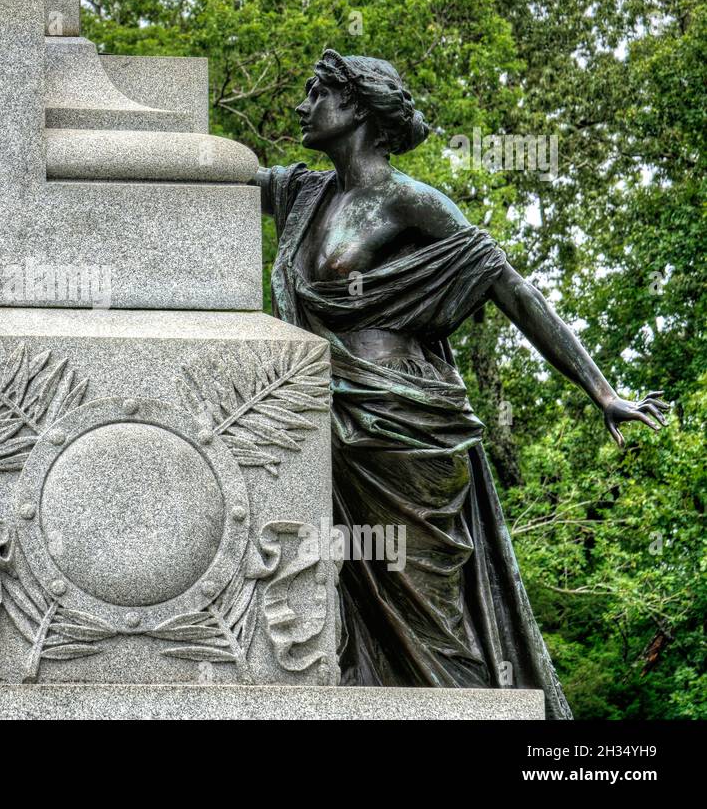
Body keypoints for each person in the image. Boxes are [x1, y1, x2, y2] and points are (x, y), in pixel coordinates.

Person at [254, 50, 668, 719]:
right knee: (357, 600)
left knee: (429, 610)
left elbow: (514, 290)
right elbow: (208, 178)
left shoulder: (408, 200)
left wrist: (601, 390)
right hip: (327, 426)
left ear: (357, 107)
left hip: (406, 431)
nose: (302, 107)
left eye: (316, 93)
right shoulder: (303, 194)